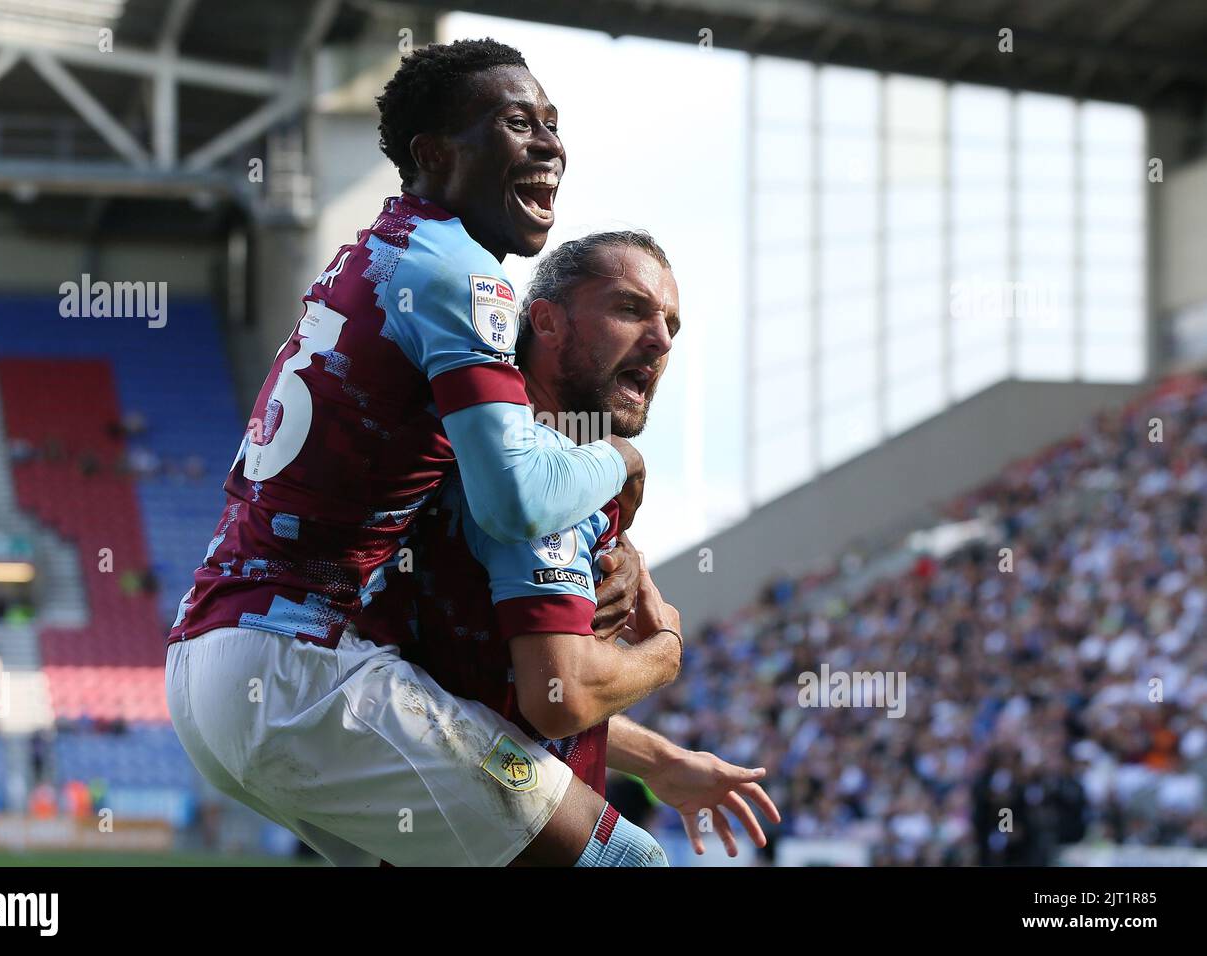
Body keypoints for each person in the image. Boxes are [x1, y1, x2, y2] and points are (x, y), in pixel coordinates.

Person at [167, 39, 649, 867]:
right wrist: (622, 462)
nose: (547, 143)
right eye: (514, 122)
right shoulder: (461, 272)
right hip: (298, 672)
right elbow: (516, 500)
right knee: (628, 862)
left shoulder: (376, 254)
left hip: (220, 664)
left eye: (551, 123)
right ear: (432, 155)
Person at [404, 232, 779, 865]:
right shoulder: (538, 470)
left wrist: (658, 760)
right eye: (631, 309)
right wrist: (665, 653)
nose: (661, 341)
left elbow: (502, 689)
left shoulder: (527, 460)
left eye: (672, 324)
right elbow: (561, 695)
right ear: (545, 320)